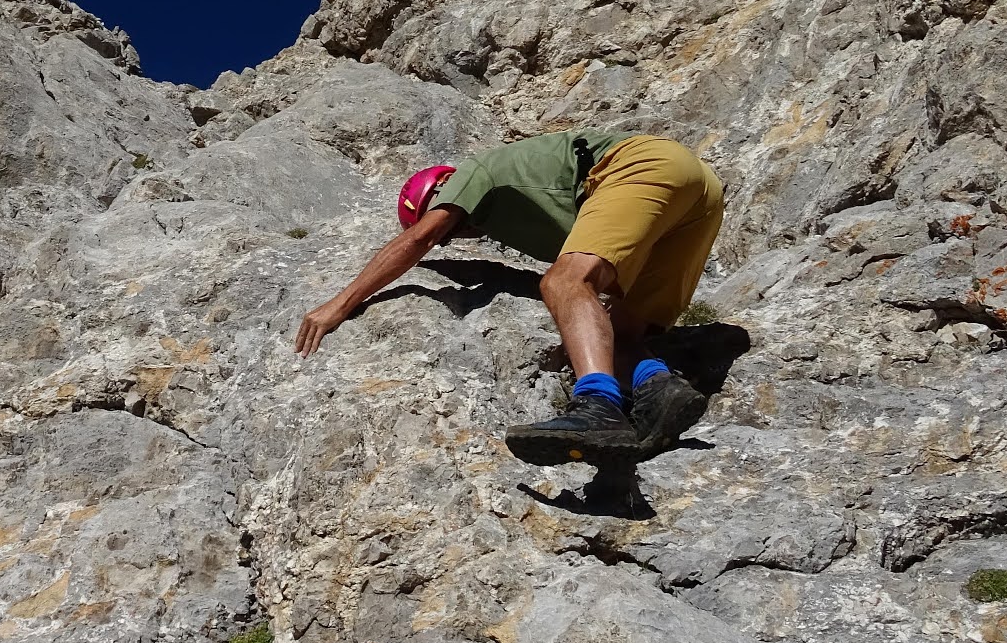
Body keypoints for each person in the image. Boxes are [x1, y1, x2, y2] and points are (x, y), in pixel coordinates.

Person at [294, 129, 724, 465]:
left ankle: (597, 406)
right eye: (450, 237)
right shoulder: (521, 205)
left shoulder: (470, 173)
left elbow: (419, 240)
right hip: (700, 197)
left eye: (449, 226)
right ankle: (658, 388)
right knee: (623, 334)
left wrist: (341, 303)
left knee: (562, 283)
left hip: (643, 164)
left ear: (440, 191)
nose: (455, 236)